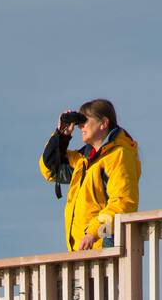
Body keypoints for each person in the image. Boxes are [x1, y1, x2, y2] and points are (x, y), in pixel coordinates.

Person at [38, 99, 140, 252]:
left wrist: (93, 233)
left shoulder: (119, 155)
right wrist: (61, 134)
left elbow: (123, 203)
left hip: (106, 250)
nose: (80, 126)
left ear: (103, 123)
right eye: (79, 122)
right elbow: (50, 168)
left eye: (85, 121)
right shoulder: (83, 159)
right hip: (82, 252)